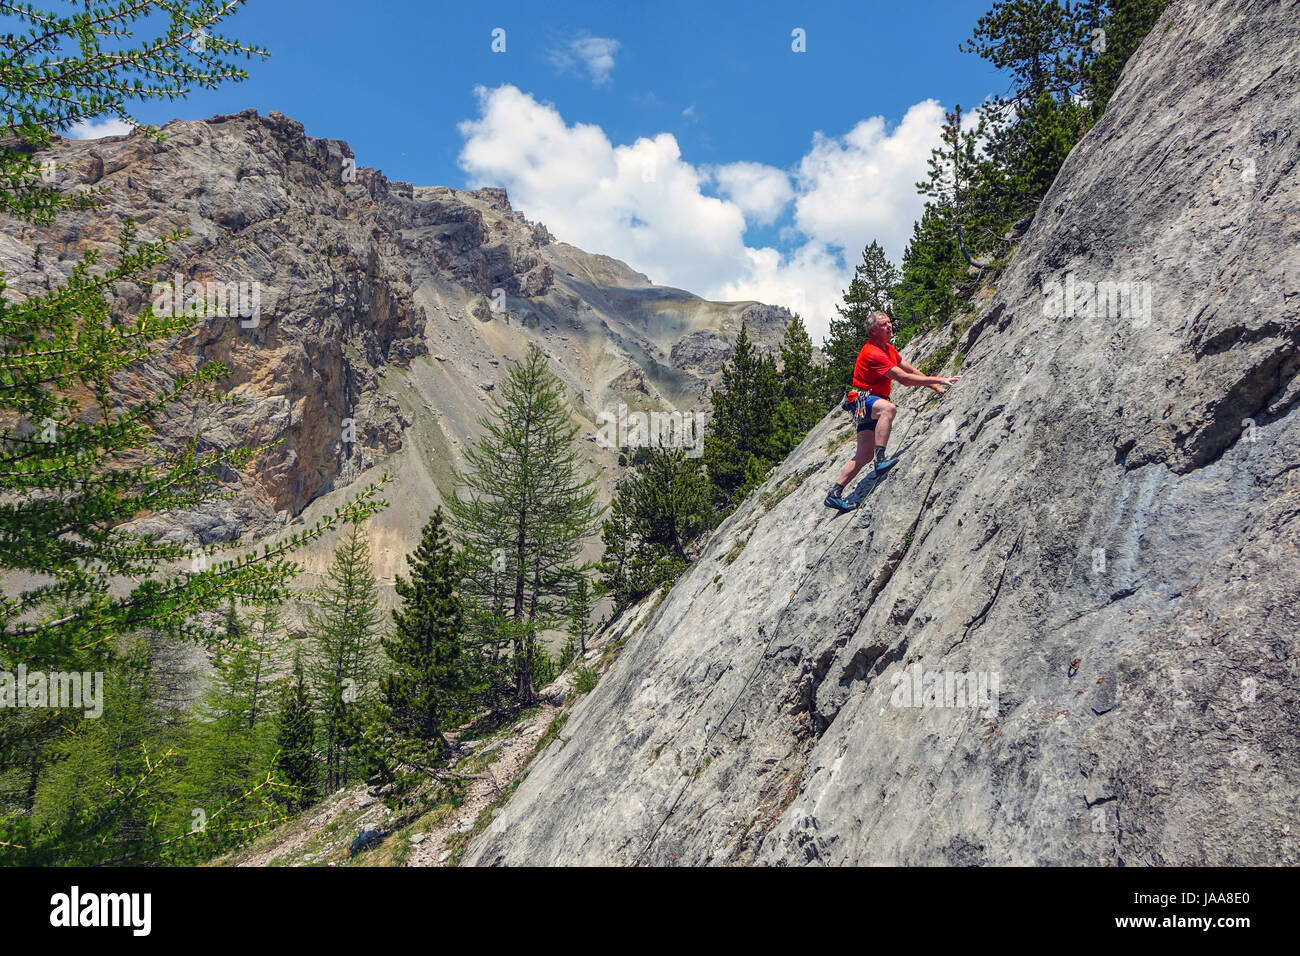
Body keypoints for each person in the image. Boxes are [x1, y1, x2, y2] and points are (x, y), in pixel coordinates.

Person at [824, 311, 960, 511]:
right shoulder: (873, 353)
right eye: (883, 324)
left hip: (866, 401)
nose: (889, 326)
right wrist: (939, 379)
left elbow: (910, 371)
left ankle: (834, 493)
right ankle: (881, 460)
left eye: (889, 322)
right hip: (861, 399)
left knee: (863, 455)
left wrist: (934, 386)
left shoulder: (888, 349)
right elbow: (904, 380)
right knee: (888, 409)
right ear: (872, 330)